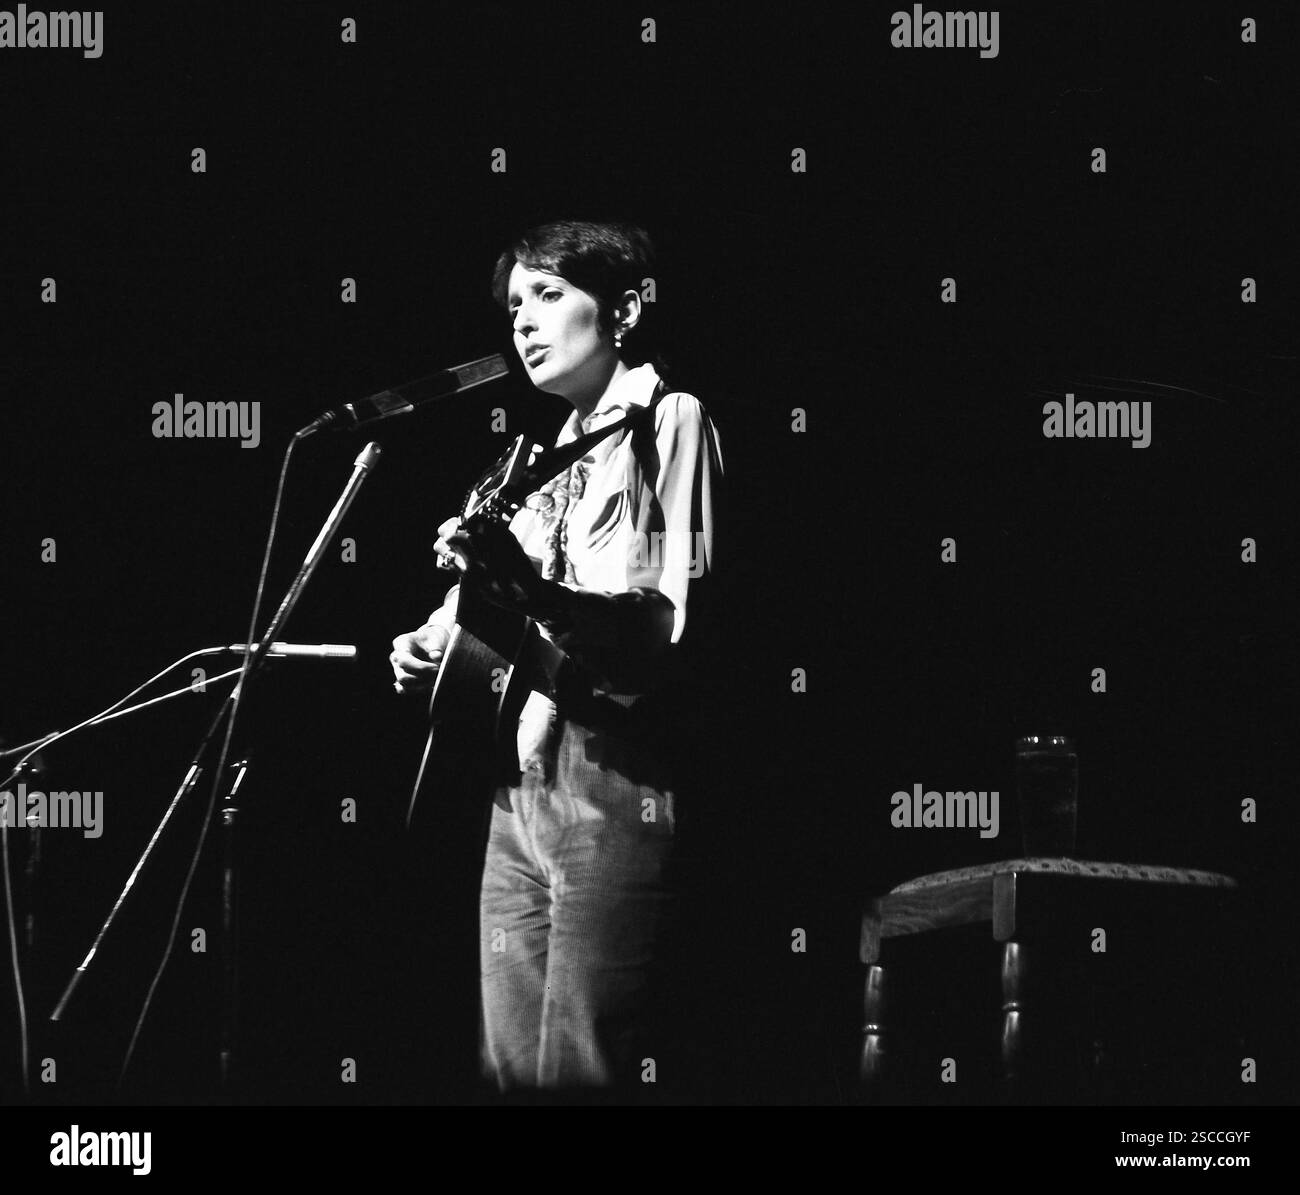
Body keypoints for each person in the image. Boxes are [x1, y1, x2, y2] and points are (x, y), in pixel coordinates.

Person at [390, 220, 723, 1095]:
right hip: (514, 790)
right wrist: (427, 644)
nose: (524, 323)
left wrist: (528, 590)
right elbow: (476, 620)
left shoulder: (667, 420)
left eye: (548, 295)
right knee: (508, 1070)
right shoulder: (524, 468)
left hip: (611, 773)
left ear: (623, 310)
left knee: (582, 1063)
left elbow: (660, 631)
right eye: (513, 305)